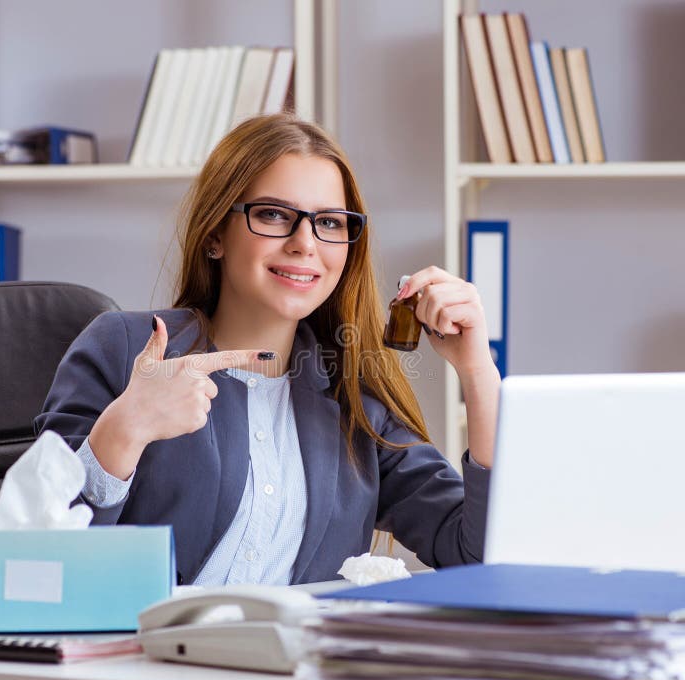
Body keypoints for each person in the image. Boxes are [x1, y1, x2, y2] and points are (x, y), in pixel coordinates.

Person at [34, 113, 501, 586]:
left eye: (330, 222)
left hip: (293, 656)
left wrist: (477, 372)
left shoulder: (355, 393)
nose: (305, 243)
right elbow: (42, 569)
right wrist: (123, 432)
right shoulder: (126, 350)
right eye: (274, 214)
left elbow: (479, 555)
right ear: (216, 233)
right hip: (141, 655)